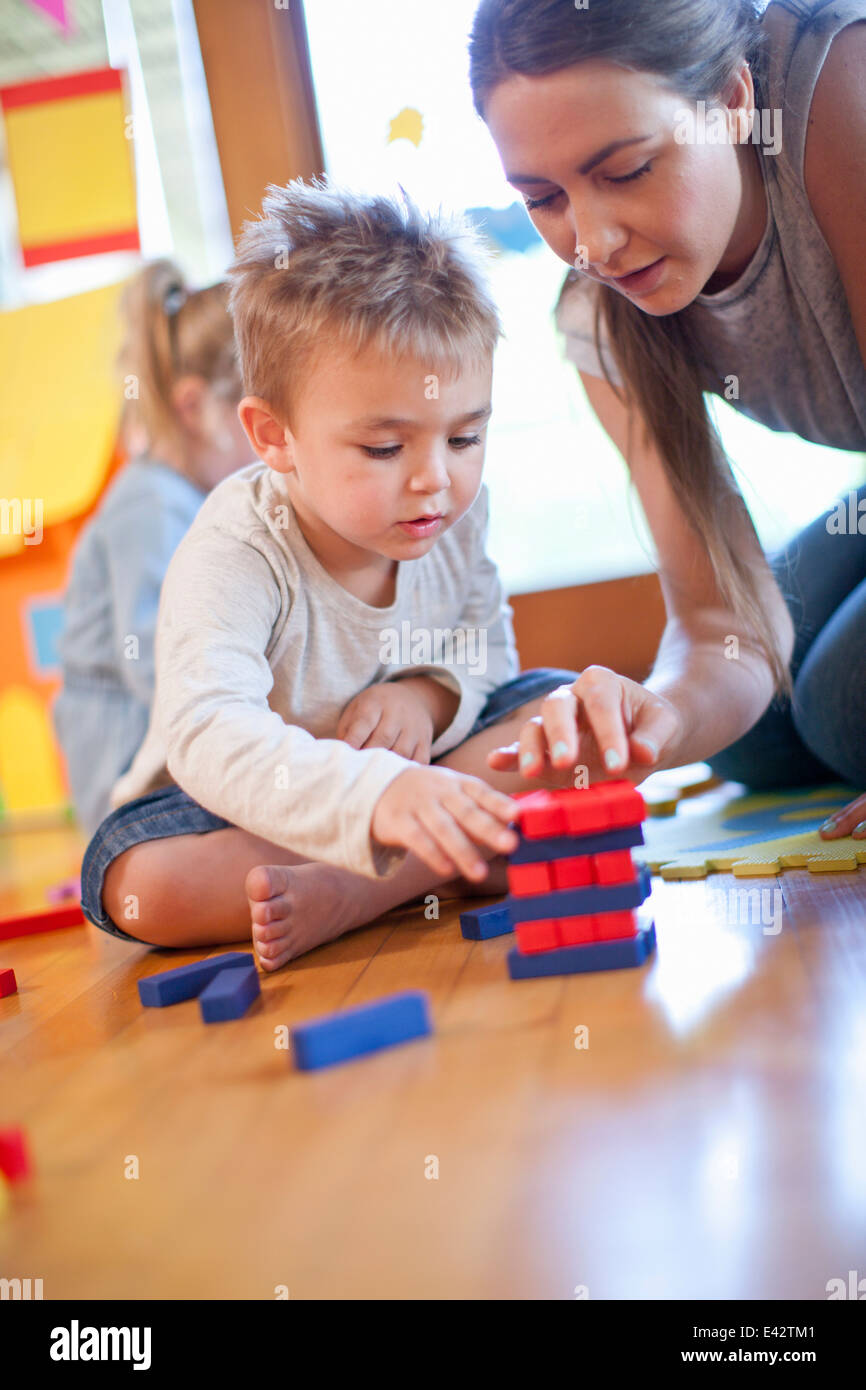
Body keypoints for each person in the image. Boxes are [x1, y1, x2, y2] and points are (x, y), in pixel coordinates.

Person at [79, 180, 585, 966]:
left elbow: (485, 649)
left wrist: (425, 695)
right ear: (274, 436)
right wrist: (374, 797)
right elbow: (208, 732)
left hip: (415, 776)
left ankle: (361, 889)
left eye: (465, 437)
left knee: (565, 720)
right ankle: (432, 863)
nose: (435, 481)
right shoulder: (238, 547)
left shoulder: (448, 507)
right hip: (243, 812)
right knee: (132, 879)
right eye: (385, 448)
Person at [469, 0, 866, 838]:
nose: (593, 244)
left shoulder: (835, 91)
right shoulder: (601, 317)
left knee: (840, 709)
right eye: (543, 197)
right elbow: (720, 619)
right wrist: (654, 721)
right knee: (751, 732)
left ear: (732, 101)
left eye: (626, 170)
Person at [53, 260, 251, 834]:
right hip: (127, 771)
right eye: (256, 417)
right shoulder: (153, 504)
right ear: (194, 408)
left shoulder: (188, 494)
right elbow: (154, 662)